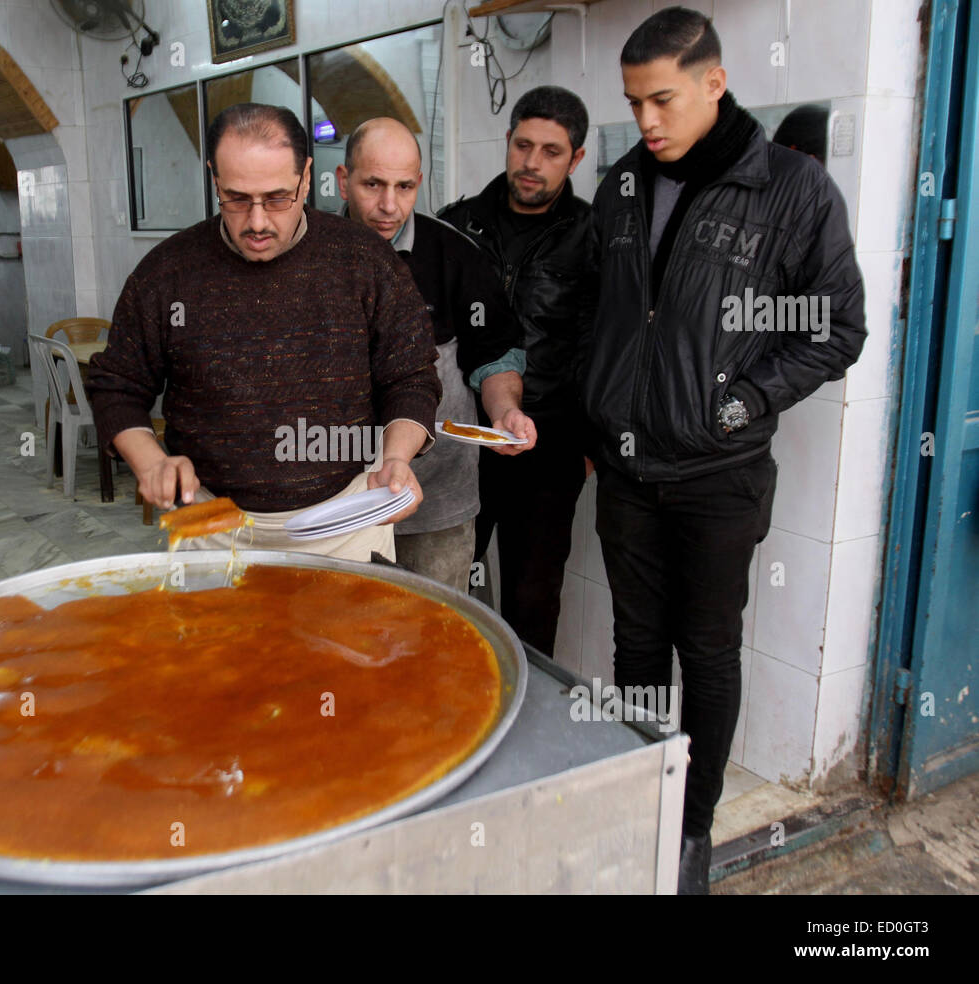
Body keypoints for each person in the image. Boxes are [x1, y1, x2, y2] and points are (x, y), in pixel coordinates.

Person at [585, 7, 865, 893]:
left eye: (662, 99)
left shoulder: (790, 189)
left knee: (706, 651)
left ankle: (691, 832)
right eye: (634, 105)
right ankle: (642, 800)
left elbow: (835, 327)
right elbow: (605, 312)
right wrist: (599, 411)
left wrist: (742, 400)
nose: (647, 122)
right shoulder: (623, 187)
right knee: (636, 645)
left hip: (719, 474)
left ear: (715, 82)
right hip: (626, 470)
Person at [88, 103, 440, 563]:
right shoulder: (167, 273)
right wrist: (151, 462)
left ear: (308, 177)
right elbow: (116, 386)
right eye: (237, 198)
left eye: (277, 198)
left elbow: (411, 376)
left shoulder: (366, 261)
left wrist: (396, 458)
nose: (257, 222)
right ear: (215, 178)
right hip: (210, 526)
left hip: (345, 524)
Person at [336, 117, 535, 591]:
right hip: (337, 502)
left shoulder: (455, 256)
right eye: (372, 185)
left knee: (434, 643)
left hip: (435, 502)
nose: (389, 205)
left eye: (404, 187)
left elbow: (495, 353)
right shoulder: (306, 255)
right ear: (343, 181)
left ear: (419, 183)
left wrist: (505, 409)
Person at [438, 85, 599, 653]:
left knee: (532, 599)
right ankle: (456, 714)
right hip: (461, 441)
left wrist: (589, 444)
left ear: (576, 158)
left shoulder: (594, 236)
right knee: (446, 586)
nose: (532, 163)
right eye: (523, 145)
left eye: (551, 151)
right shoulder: (455, 226)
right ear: (507, 142)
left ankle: (526, 722)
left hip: (548, 446)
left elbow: (604, 343)